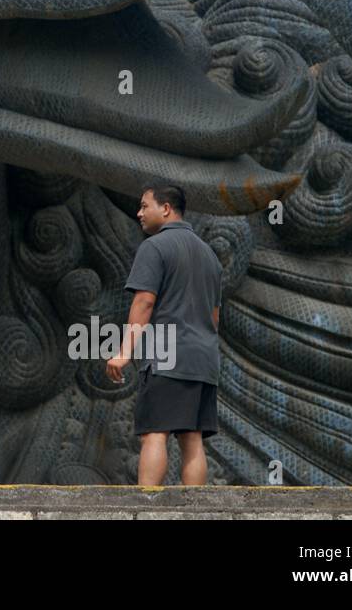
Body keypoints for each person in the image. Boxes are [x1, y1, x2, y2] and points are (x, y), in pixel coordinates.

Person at [106, 183, 222, 486]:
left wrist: (123, 353)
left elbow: (144, 302)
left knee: (154, 433)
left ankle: (147, 509)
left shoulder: (155, 246)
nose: (139, 212)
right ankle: (193, 512)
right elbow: (214, 317)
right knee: (192, 438)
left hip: (168, 355)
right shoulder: (210, 255)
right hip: (204, 359)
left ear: (166, 208)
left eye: (145, 206)